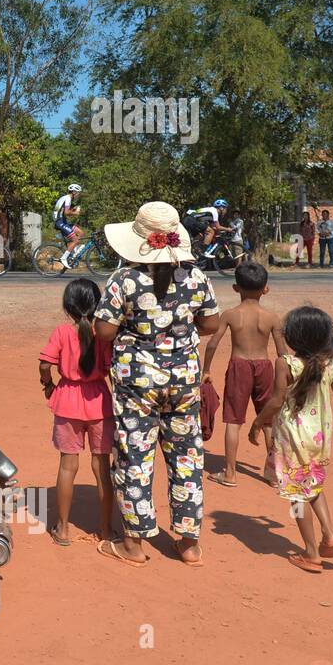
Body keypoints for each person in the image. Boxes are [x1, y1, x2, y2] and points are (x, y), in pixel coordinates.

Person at [94, 201, 220, 568]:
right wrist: (179, 325)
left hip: (138, 383)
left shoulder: (125, 279)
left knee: (135, 457)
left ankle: (134, 544)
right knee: (187, 457)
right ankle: (189, 543)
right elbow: (210, 324)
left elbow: (104, 331)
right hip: (183, 379)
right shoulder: (196, 277)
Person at [249, 306, 333, 572]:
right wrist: (332, 356)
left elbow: (276, 401)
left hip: (292, 441)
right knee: (312, 484)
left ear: (293, 338)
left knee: (297, 497)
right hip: (318, 440)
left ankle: (311, 552)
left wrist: (257, 423)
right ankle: (330, 533)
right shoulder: (330, 366)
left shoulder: (287, 363)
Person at [39, 278, 116, 545]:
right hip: (99, 401)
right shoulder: (104, 334)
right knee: (102, 468)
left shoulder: (61, 332)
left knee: (67, 466)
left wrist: (48, 386)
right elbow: (112, 368)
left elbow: (44, 364)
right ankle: (106, 529)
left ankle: (63, 529)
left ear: (67, 306)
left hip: (68, 400)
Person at [201, 262, 284, 487]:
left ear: (236, 288)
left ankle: (230, 473)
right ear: (265, 289)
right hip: (264, 366)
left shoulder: (230, 315)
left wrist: (206, 370)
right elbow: (282, 353)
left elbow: (212, 344)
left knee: (233, 421)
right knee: (268, 420)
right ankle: (274, 474)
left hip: (239, 367)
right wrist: (285, 378)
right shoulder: (272, 317)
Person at [52, 184, 84, 269]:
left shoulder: (66, 198)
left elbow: (65, 212)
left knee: (80, 233)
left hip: (62, 221)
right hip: (59, 222)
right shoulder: (68, 198)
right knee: (76, 240)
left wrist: (73, 210)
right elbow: (66, 213)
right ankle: (64, 258)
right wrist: (75, 213)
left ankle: (73, 254)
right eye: (78, 193)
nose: (78, 195)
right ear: (73, 192)